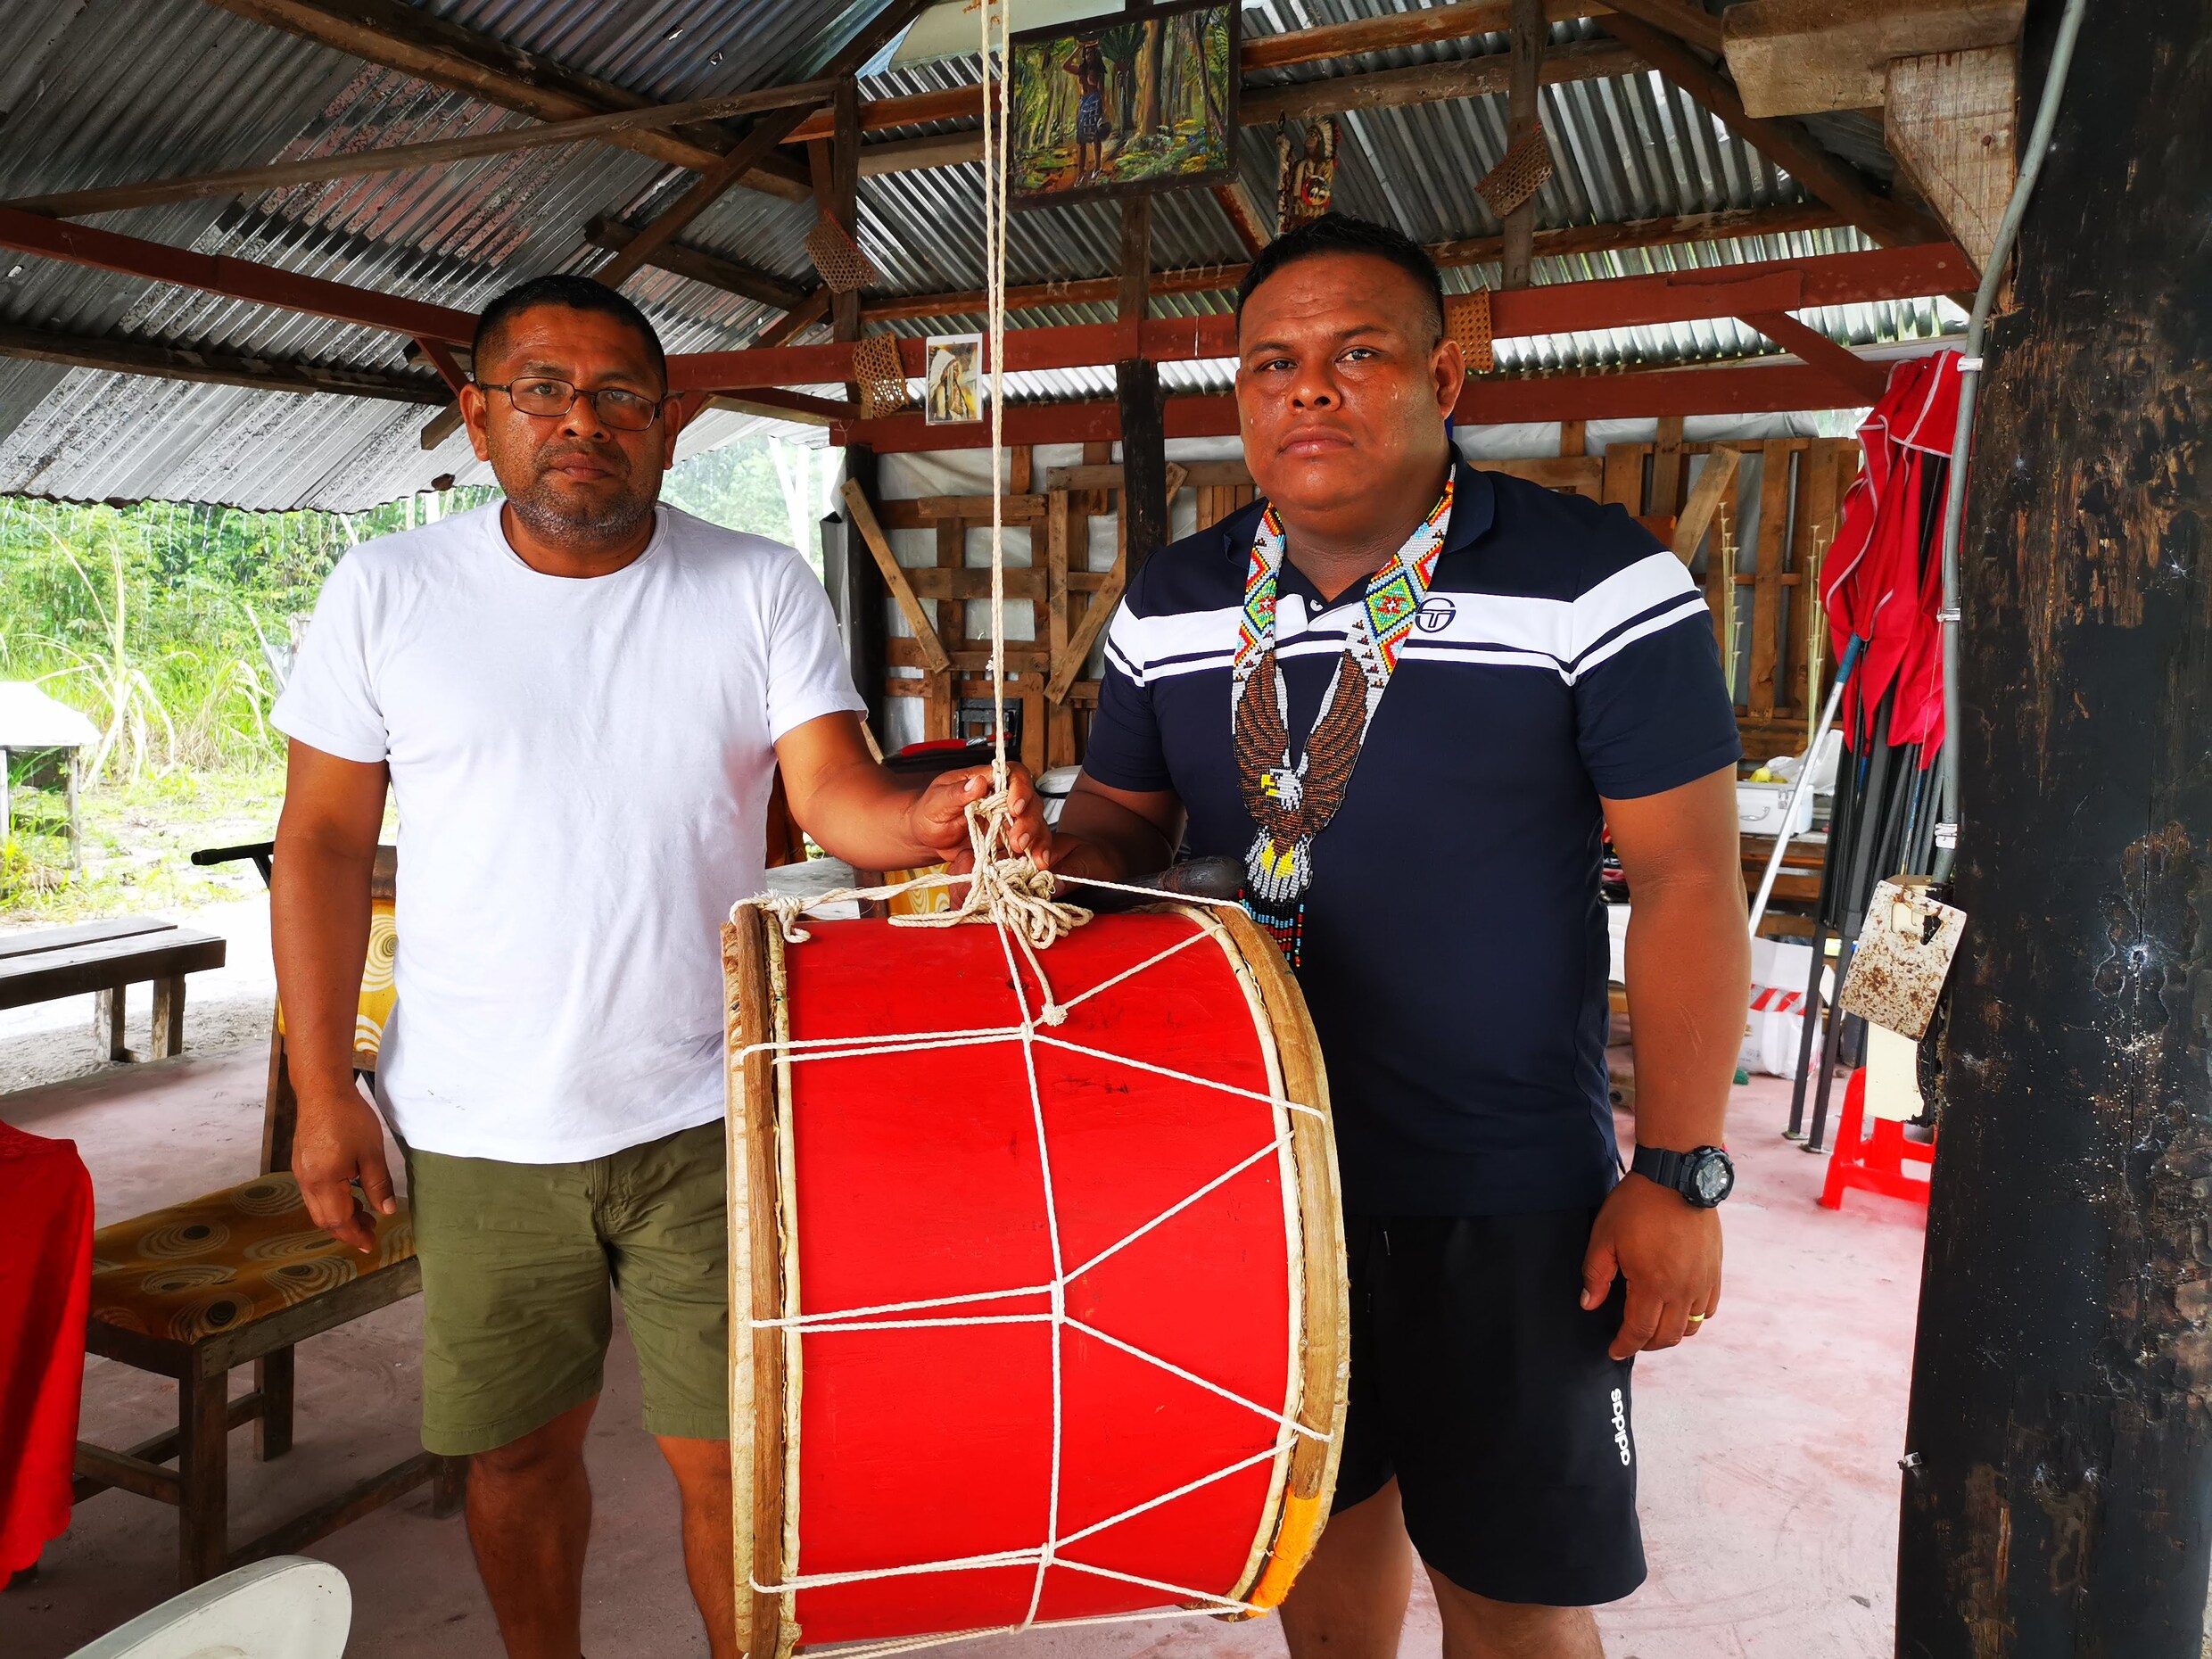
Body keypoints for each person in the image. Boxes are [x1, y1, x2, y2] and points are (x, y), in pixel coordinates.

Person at [268, 274, 1045, 1659]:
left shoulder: (753, 583)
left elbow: (833, 801)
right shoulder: (389, 588)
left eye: (620, 395)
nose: (583, 422)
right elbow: (324, 842)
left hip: (711, 1111)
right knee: (513, 1462)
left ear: (671, 426)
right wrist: (324, 1086)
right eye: (544, 392)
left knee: (734, 1466)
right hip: (481, 1124)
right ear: (478, 415)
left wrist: (929, 823)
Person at [1050, 214, 1750, 1658]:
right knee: (1318, 1538)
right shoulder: (1174, 605)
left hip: (1504, 1187)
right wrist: (1040, 858)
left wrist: (1679, 1171)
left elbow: (1688, 881)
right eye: (1273, 364)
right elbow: (1113, 832)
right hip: (1253, 1172)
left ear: (1444, 375)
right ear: (1240, 398)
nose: (1310, 391)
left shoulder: (1596, 579)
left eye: (1356, 354)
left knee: (1510, 1596)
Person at [1067, 38, 1108, 183]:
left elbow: (1102, 92)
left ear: (1096, 55)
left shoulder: (1099, 72)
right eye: (1086, 54)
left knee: (1096, 136)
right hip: (1084, 104)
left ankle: (1097, 166)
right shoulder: (1081, 70)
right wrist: (1078, 49)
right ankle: (1081, 171)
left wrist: (1103, 112)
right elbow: (1065, 65)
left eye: (1091, 53)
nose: (1088, 56)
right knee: (1082, 139)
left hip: (1095, 102)